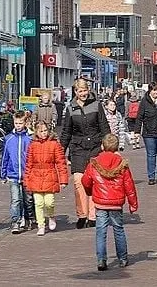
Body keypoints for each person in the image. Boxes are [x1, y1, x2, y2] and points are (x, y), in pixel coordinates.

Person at [82, 133, 139, 271]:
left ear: (102, 146)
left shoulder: (94, 163)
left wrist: (90, 192)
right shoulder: (122, 164)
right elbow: (129, 185)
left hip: (100, 202)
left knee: (101, 231)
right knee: (118, 229)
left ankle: (101, 260)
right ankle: (123, 258)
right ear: (117, 147)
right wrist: (133, 204)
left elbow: (86, 181)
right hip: (116, 203)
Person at [59, 77, 111, 229]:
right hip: (78, 148)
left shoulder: (96, 105)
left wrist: (108, 146)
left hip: (95, 147)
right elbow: (66, 132)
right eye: (80, 91)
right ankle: (82, 215)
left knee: (94, 181)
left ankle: (93, 216)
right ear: (75, 92)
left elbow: (104, 127)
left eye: (85, 90)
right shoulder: (70, 108)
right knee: (78, 181)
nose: (83, 94)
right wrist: (61, 151)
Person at [24, 121, 69, 236]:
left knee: (49, 202)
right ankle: (41, 225)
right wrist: (26, 180)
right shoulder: (32, 145)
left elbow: (61, 162)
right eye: (41, 131)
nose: (44, 133)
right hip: (35, 176)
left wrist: (63, 179)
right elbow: (28, 164)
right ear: (36, 132)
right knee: (38, 203)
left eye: (45, 131)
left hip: (49, 175)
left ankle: (51, 215)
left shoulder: (54, 144)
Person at [0, 111, 33, 233]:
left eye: (20, 123)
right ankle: (15, 221)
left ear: (25, 123)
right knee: (15, 200)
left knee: (27, 200)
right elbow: (5, 157)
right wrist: (3, 173)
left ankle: (27, 218)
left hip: (27, 175)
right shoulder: (9, 139)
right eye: (16, 123)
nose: (18, 125)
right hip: (13, 174)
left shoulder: (30, 138)